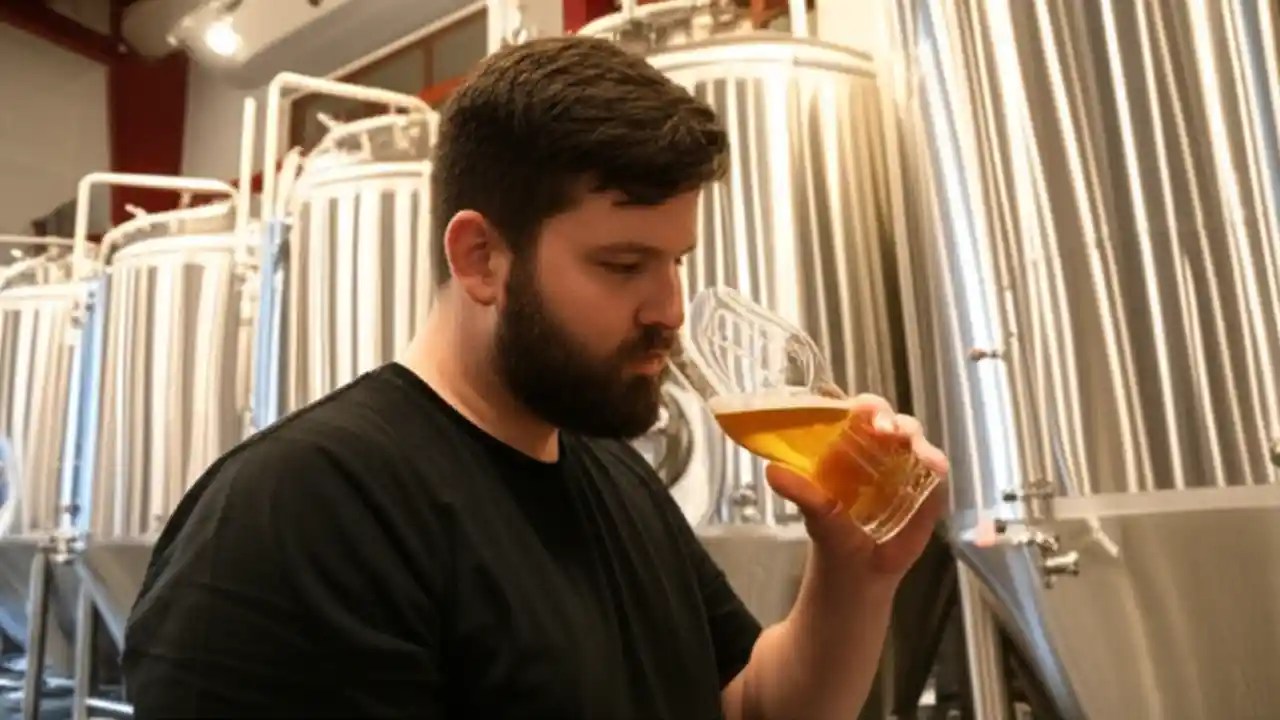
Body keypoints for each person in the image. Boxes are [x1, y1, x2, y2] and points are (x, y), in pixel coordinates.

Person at [122, 35, 949, 719]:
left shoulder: (615, 477)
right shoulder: (302, 513)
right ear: (481, 257)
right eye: (623, 264)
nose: (669, 309)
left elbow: (753, 706)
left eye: (676, 263)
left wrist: (856, 576)